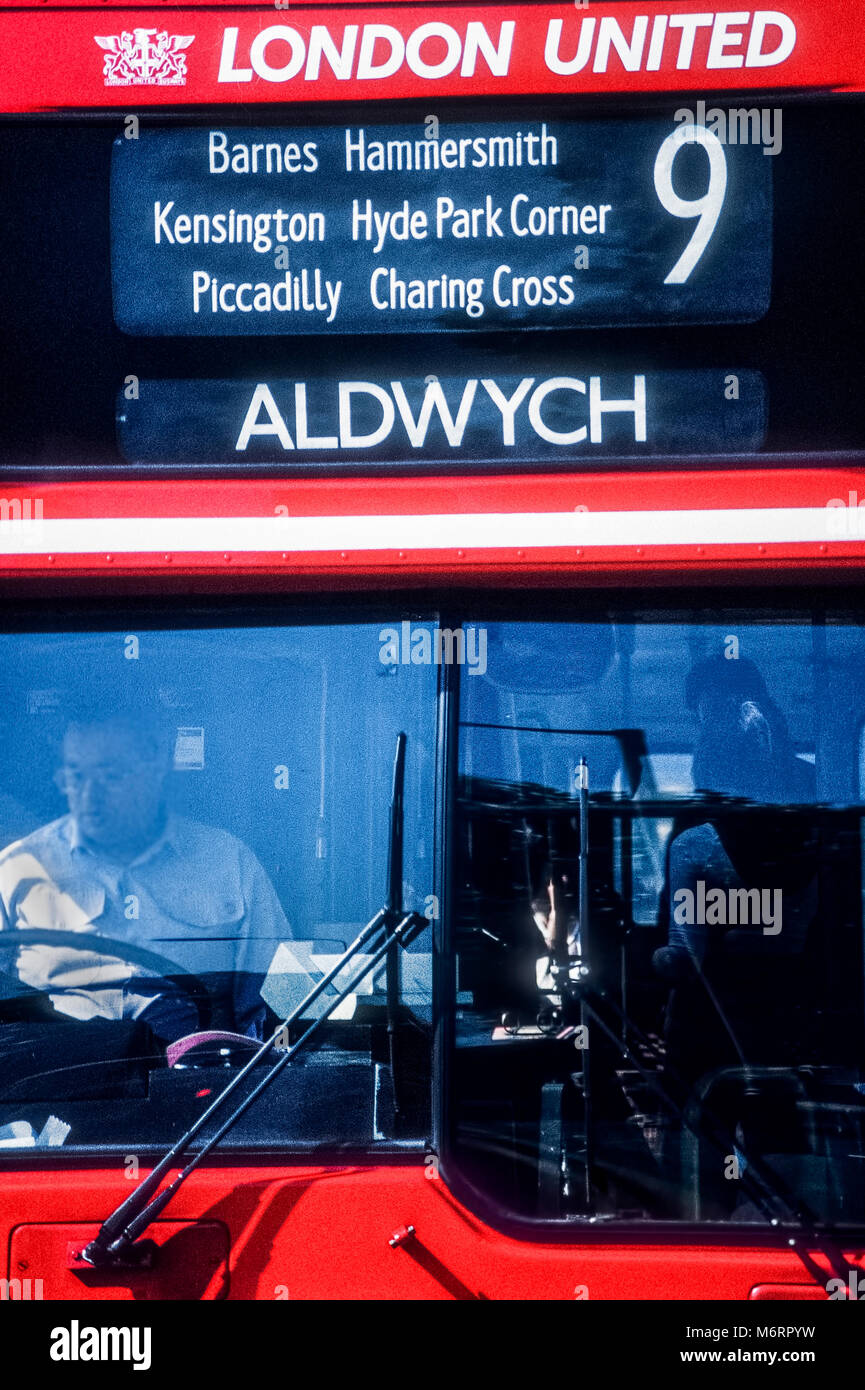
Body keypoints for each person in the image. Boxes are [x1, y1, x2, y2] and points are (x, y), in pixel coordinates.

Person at [0, 705, 291, 1042]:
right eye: (77, 776)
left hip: (200, 1083)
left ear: (155, 772)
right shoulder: (18, 869)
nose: (90, 796)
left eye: (111, 777)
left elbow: (275, 1004)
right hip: (60, 1080)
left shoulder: (229, 862)